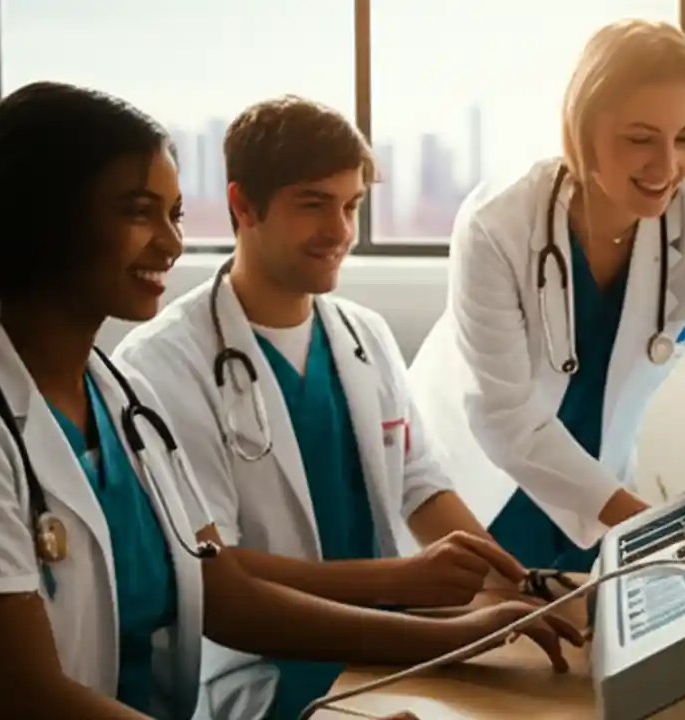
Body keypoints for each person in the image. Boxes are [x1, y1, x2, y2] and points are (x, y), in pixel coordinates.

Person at [0, 82, 580, 720]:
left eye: (172, 214)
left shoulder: (117, 397)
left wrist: (461, 634)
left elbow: (221, 589)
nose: (169, 243)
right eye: (137, 211)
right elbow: (23, 696)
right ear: (49, 217)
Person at [115, 95, 542, 720]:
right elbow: (219, 569)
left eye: (352, 205)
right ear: (242, 205)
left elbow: (421, 488)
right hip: (261, 671)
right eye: (313, 204)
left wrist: (523, 584)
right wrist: (401, 579)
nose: (341, 230)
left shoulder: (363, 335)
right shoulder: (163, 363)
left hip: (387, 644)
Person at [408, 19, 685, 572]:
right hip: (479, 484)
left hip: (596, 487)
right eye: (639, 139)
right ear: (582, 132)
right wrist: (653, 525)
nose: (668, 165)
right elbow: (505, 418)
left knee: (594, 638)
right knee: (495, 634)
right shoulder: (496, 224)